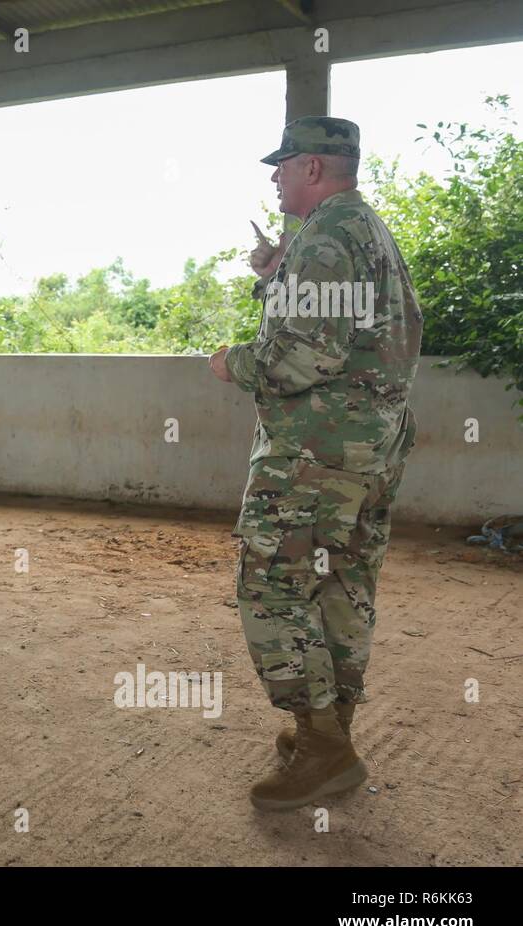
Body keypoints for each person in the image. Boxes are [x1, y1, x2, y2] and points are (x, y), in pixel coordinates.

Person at [208, 116, 422, 811]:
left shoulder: (326, 240)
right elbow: (357, 335)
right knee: (342, 589)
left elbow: (306, 356)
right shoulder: (363, 232)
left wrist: (230, 363)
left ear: (313, 169)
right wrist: (278, 275)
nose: (272, 177)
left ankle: (322, 745)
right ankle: (330, 732)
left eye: (282, 164)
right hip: (366, 451)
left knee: (272, 587)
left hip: (314, 458)